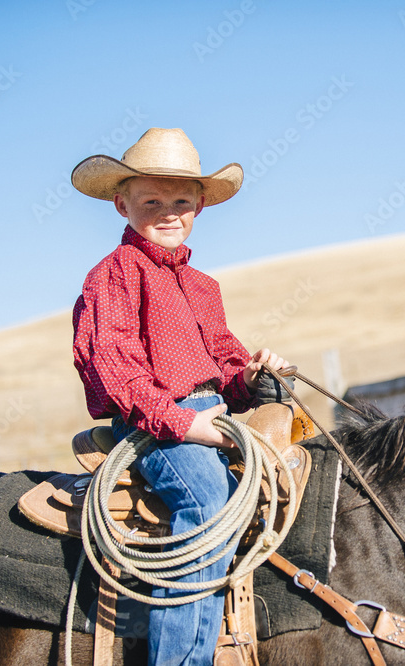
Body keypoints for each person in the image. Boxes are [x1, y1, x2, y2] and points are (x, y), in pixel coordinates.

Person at [70, 127, 289, 666]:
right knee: (209, 504)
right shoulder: (114, 275)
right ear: (122, 204)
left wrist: (254, 376)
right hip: (153, 422)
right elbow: (116, 371)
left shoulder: (203, 285)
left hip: (212, 415)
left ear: (200, 205)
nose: (168, 212)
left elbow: (224, 365)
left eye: (181, 201)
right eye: (152, 202)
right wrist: (186, 425)